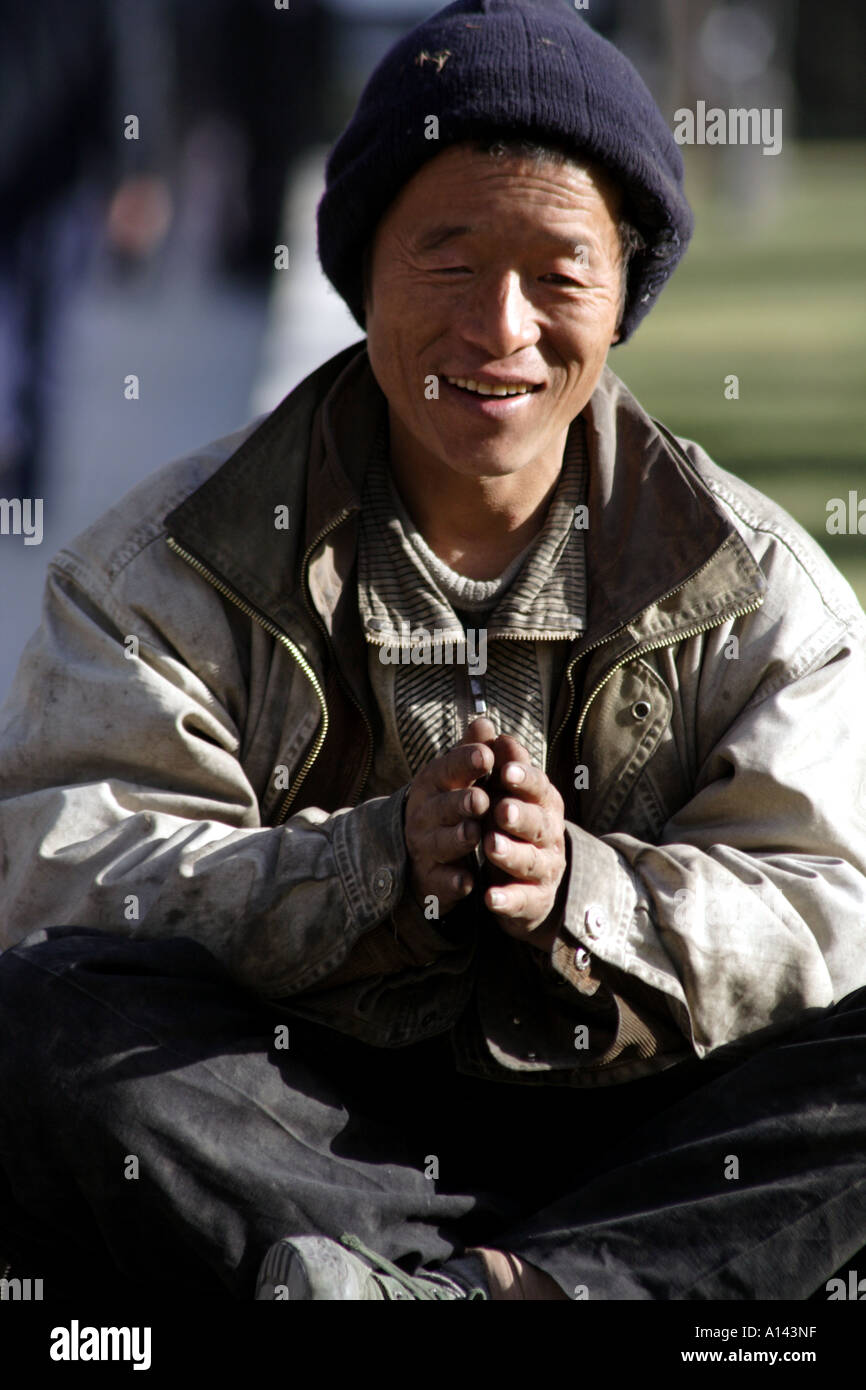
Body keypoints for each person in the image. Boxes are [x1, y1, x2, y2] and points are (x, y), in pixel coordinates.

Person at [1, 0, 865, 1302]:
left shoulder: (750, 586)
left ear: (626, 291)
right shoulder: (167, 566)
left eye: (559, 274)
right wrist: (361, 867)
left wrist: (579, 894)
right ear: (360, 276)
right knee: (43, 1021)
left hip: (642, 1125)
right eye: (448, 265)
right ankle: (537, 1278)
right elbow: (66, 872)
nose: (498, 327)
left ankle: (470, 1290)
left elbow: (822, 917)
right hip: (296, 1129)